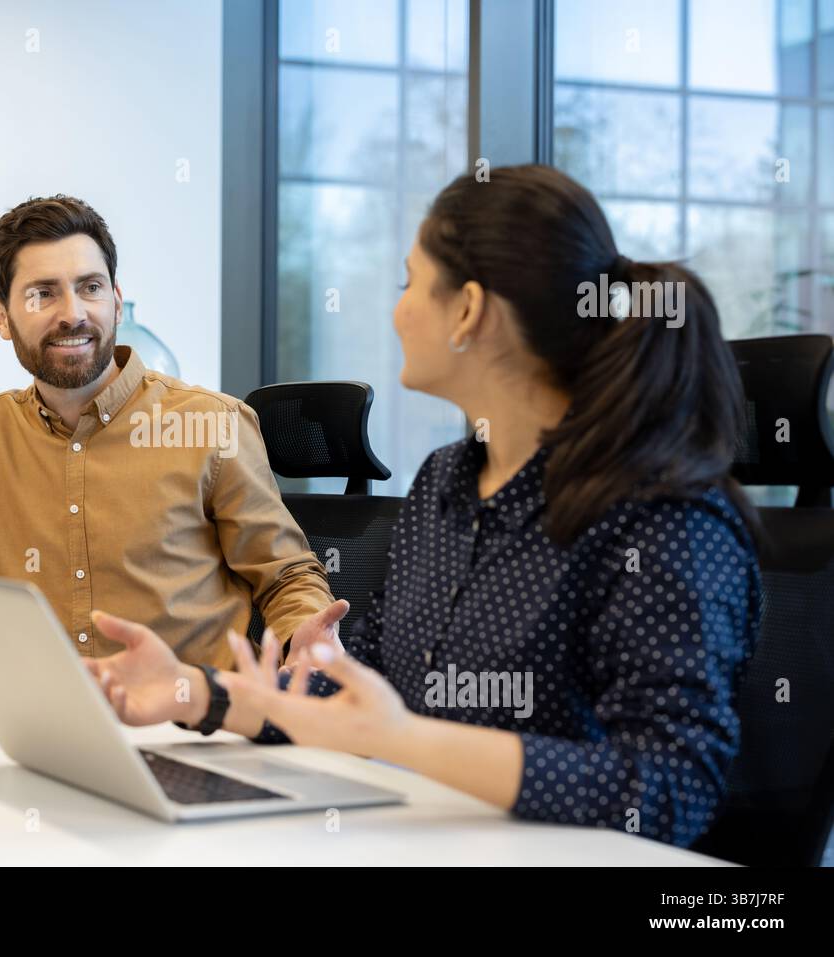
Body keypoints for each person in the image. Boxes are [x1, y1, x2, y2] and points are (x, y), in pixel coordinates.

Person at [86, 165, 762, 847]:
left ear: (468, 309)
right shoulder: (445, 483)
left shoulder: (663, 515)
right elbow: (365, 691)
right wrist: (194, 692)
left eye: (410, 282)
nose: (397, 309)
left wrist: (404, 738)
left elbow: (669, 787)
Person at [0, 194, 346, 669]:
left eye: (90, 287)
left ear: (117, 301)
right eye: (43, 293)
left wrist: (306, 641)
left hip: (192, 722)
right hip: (47, 719)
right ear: (1, 317)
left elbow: (286, 575)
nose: (73, 312)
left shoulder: (211, 425)